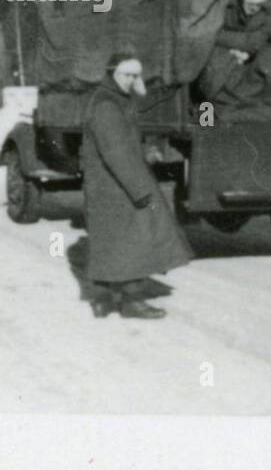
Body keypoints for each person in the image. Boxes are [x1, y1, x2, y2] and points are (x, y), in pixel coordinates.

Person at [80, 51, 193, 320]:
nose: (132, 80)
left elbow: (124, 142)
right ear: (112, 73)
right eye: (127, 75)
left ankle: (103, 298)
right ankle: (132, 302)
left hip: (109, 186)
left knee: (113, 245)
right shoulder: (107, 105)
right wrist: (140, 191)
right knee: (135, 242)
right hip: (116, 186)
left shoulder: (114, 98)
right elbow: (116, 153)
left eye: (135, 75)